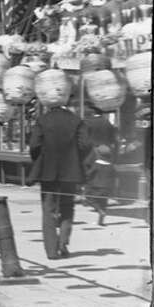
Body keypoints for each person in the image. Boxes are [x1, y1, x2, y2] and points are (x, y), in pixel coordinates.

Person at [28, 98, 92, 260]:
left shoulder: (42, 120)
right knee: (67, 207)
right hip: (70, 171)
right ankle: (63, 243)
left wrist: (39, 160)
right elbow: (85, 145)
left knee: (48, 210)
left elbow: (34, 145)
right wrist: (76, 158)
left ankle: (51, 250)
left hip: (48, 171)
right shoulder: (76, 120)